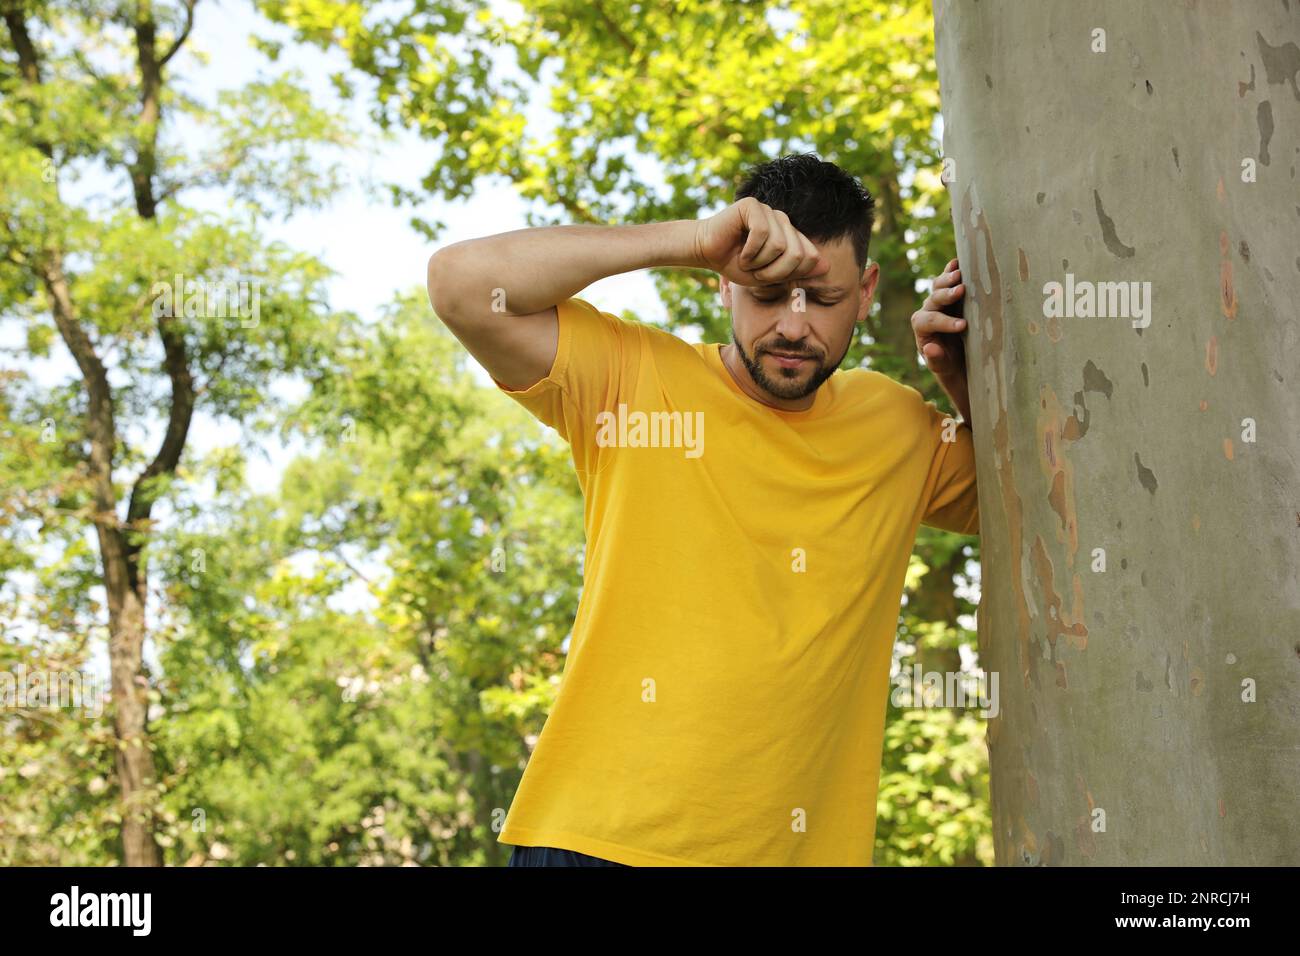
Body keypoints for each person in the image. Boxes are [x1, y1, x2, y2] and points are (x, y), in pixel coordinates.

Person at [426, 153, 977, 867]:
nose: (793, 325)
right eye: (768, 294)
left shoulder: (900, 428)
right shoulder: (628, 378)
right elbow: (460, 285)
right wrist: (689, 239)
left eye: (823, 299)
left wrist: (962, 383)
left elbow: (1033, 506)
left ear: (867, 291)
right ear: (725, 281)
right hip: (597, 843)